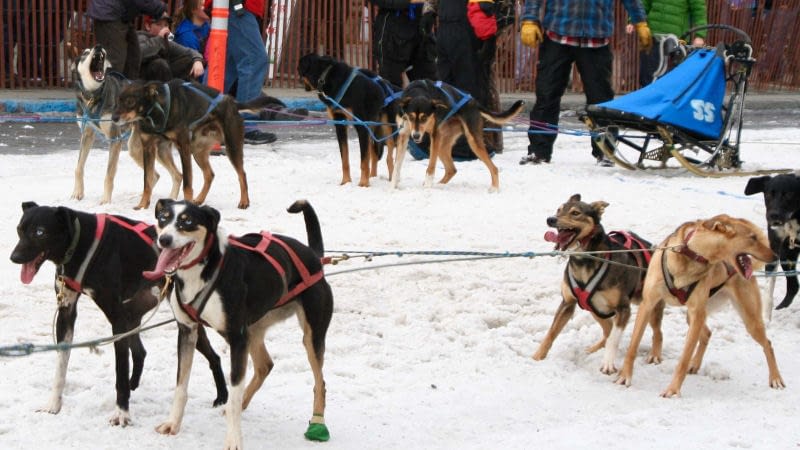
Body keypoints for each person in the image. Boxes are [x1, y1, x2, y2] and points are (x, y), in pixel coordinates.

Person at [518, 0, 652, 166]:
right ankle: (538, 151)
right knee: (546, 95)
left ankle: (605, 151)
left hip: (596, 38)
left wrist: (640, 21)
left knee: (601, 100)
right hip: (557, 35)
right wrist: (529, 19)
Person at [422, 0, 505, 159]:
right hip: (445, 27)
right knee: (444, 89)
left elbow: (496, 6)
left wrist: (489, 36)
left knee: (469, 90)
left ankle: (471, 144)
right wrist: (429, 12)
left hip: (470, 28)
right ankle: (448, 140)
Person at [203, 0, 275, 145]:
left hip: (235, 5)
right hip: (237, 4)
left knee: (224, 66)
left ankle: (200, 120)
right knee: (254, 60)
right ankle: (245, 125)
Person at [625, 0, 707, 87]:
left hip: (677, 39)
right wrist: (634, 21)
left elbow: (699, 11)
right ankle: (650, 97)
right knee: (648, 75)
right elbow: (644, 4)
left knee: (674, 77)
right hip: (653, 36)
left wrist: (700, 35)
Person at [88, 0, 168, 79]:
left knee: (133, 56)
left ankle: (127, 88)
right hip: (109, 15)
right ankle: (110, 90)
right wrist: (160, 8)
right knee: (115, 63)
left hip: (120, 14)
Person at [368, 0, 436, 88]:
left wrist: (431, 8)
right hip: (392, 35)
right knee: (392, 85)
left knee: (429, 85)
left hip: (421, 31)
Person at [137, 15, 205, 82]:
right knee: (159, 64)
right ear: (148, 26)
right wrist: (159, 39)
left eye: (166, 25)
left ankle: (182, 90)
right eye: (159, 24)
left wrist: (197, 60)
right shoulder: (140, 37)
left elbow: (189, 52)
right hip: (142, 83)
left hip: (163, 80)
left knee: (188, 60)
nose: (163, 28)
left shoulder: (165, 41)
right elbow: (141, 53)